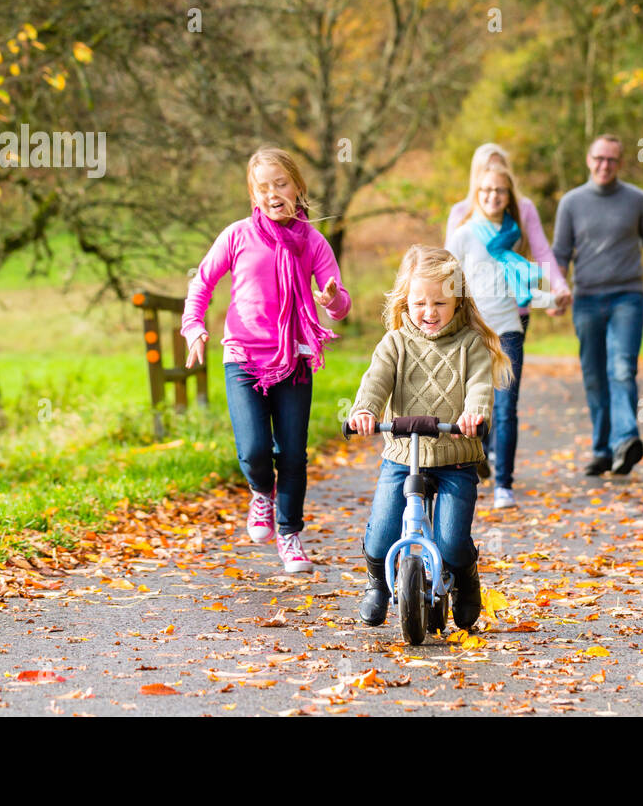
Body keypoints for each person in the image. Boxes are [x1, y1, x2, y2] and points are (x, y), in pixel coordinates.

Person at [182, 146, 351, 573]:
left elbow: (341, 303)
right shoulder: (237, 235)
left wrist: (331, 300)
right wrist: (193, 326)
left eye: (281, 184)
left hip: (294, 357)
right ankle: (262, 492)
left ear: (297, 187)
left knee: (293, 453)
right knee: (256, 449)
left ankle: (290, 536)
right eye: (264, 187)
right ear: (253, 195)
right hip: (242, 357)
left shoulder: (312, 241)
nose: (273, 193)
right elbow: (202, 284)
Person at [347, 245, 513, 630]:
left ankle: (465, 578)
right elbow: (375, 381)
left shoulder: (471, 344)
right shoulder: (395, 343)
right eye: (420, 302)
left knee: (453, 542)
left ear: (458, 301)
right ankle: (377, 583)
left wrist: (475, 415)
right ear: (406, 302)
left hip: (456, 453)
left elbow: (478, 386)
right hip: (403, 454)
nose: (429, 311)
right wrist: (365, 411)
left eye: (440, 302)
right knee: (381, 534)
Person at [446, 150, 568, 509]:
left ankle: (505, 485)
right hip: (473, 333)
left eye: (499, 191)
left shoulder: (513, 235)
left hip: (509, 330)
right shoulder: (465, 233)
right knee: (471, 405)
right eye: (485, 191)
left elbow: (517, 285)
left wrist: (553, 298)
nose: (491, 197)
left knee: (507, 407)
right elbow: (447, 279)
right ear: (476, 192)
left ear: (508, 195)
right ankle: (469, 465)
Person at [552, 133, 643, 477]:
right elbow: (560, 252)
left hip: (627, 297)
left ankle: (626, 441)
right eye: (599, 159)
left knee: (621, 368)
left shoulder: (636, 200)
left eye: (611, 160)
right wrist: (556, 292)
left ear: (620, 163)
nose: (605, 165)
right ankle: (602, 450)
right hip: (586, 299)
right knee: (594, 376)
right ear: (588, 160)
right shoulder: (571, 202)